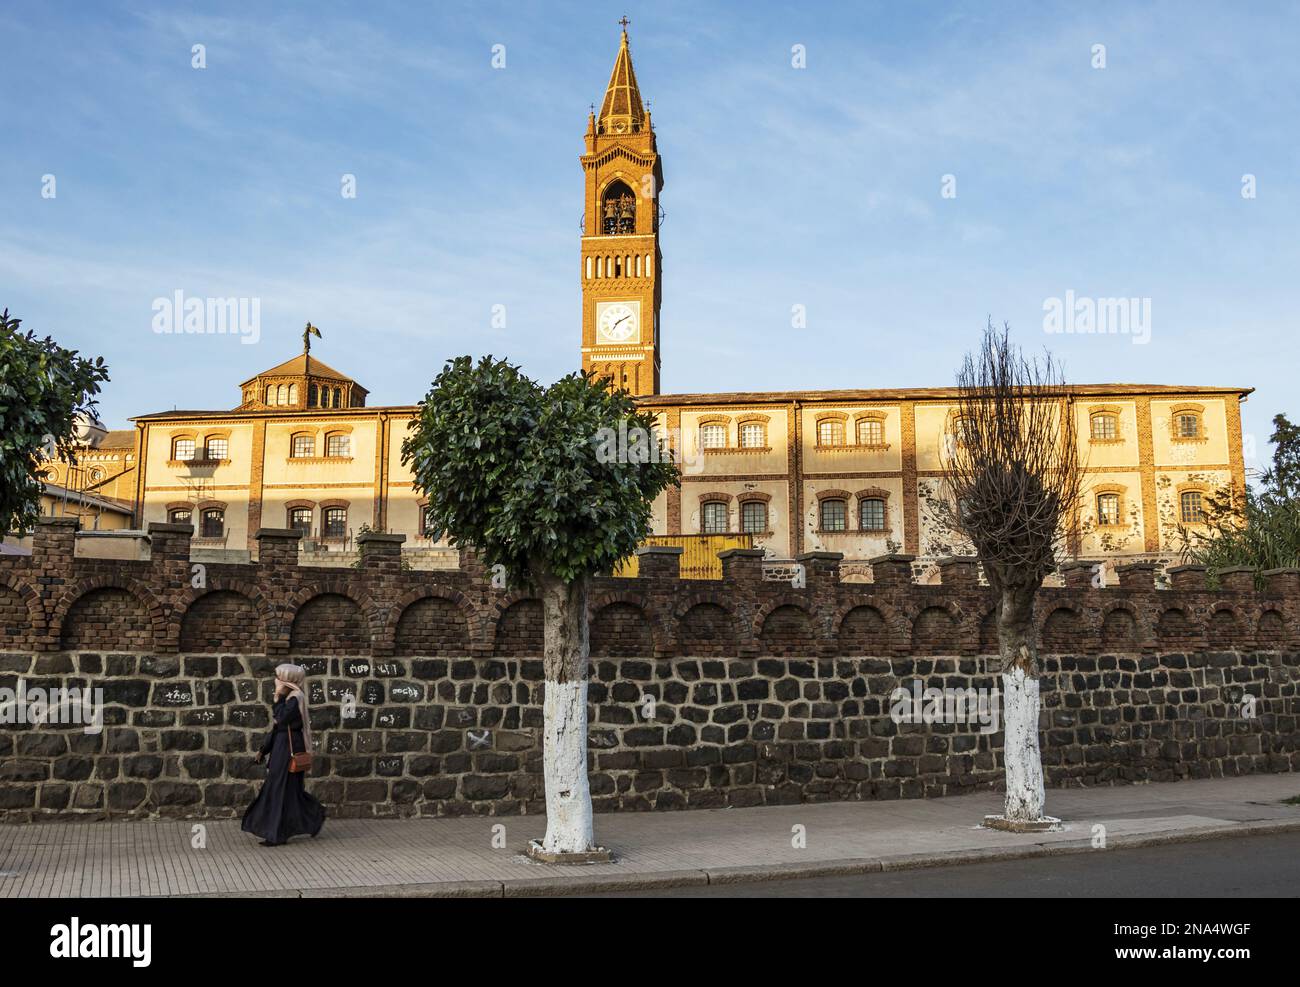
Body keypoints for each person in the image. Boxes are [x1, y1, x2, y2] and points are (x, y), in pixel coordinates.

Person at [241, 663, 326, 846]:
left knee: (280, 789)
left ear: (289, 682)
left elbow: (281, 718)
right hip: (281, 747)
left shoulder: (295, 699)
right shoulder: (290, 699)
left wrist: (278, 697)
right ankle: (313, 816)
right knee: (286, 791)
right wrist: (264, 750)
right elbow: (277, 728)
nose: (276, 682)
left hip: (289, 750)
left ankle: (277, 834)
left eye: (279, 680)